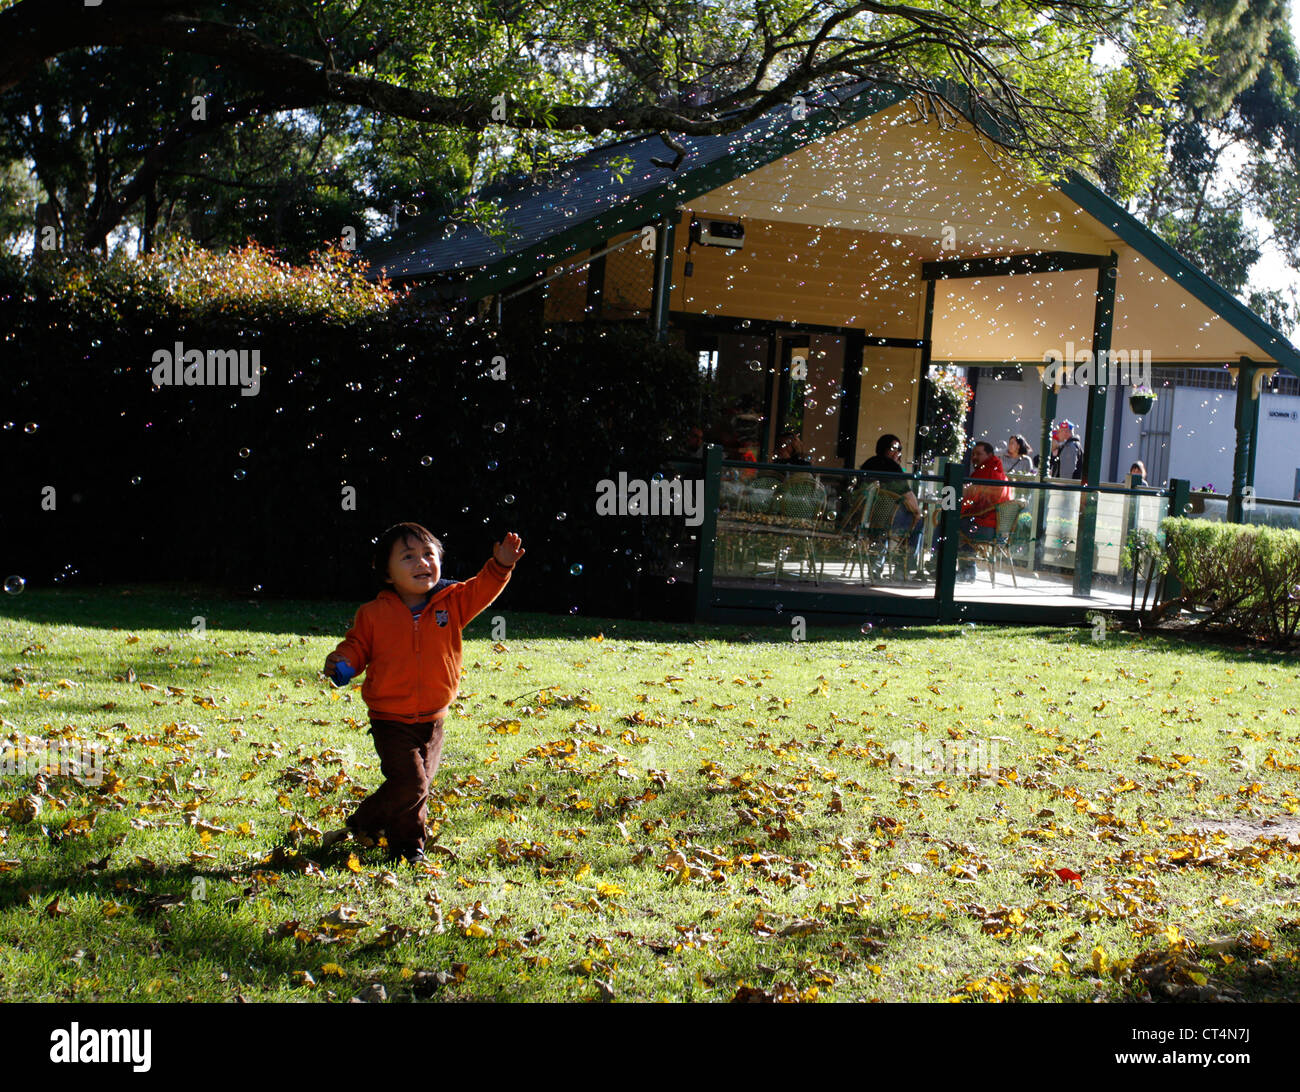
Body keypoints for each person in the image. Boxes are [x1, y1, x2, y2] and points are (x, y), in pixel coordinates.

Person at [322, 522, 525, 864]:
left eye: (429, 554)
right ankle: (377, 830)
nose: (422, 563)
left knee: (416, 790)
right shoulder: (373, 615)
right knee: (413, 785)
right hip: (391, 720)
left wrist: (501, 565)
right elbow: (356, 647)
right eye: (409, 556)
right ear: (387, 573)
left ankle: (401, 845)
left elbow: (482, 589)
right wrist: (343, 662)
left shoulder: (453, 602)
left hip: (434, 720)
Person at [857, 434, 923, 570]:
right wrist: (917, 514)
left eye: (899, 449)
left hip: (866, 517)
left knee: (884, 526)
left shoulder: (868, 464)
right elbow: (908, 496)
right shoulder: (893, 467)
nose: (898, 452)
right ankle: (903, 566)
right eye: (895, 448)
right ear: (884, 449)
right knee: (917, 521)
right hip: (889, 519)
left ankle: (876, 565)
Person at [957, 441, 1012, 581]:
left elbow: (969, 499)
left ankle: (939, 566)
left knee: (949, 525)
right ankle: (968, 571)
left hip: (986, 528)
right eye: (973, 454)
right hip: (999, 530)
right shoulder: (998, 472)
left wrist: (952, 509)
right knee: (961, 523)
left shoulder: (985, 473)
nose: (974, 457)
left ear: (990, 455)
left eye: (979, 454)